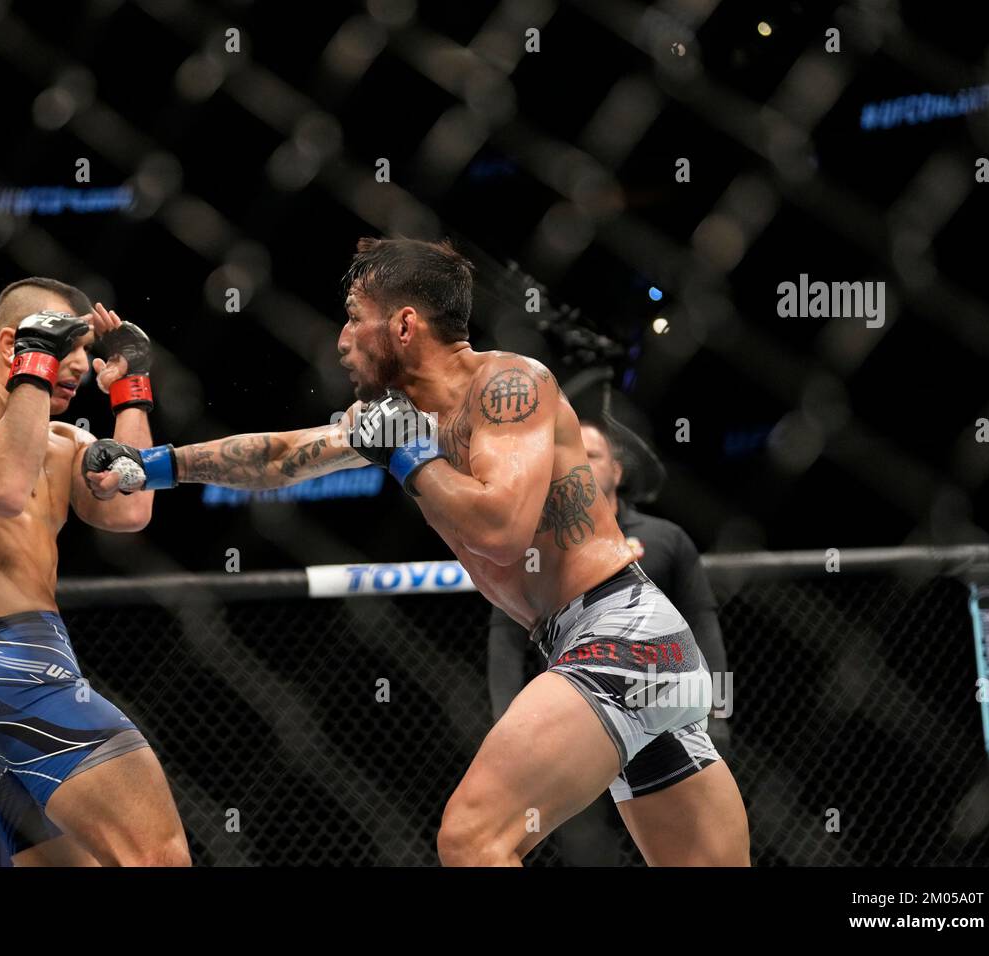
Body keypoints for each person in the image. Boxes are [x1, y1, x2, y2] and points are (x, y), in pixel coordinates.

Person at [83, 238, 750, 865]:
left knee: (473, 838)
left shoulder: (510, 385)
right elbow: (282, 457)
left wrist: (407, 456)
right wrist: (155, 465)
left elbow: (500, 527)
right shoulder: (397, 415)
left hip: (618, 631)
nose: (340, 340)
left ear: (403, 326)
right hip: (619, 642)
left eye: (353, 319)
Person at [0, 276, 189, 866]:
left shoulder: (66, 439)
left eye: (86, 351)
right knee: (159, 855)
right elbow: (5, 487)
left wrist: (132, 393)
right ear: (15, 341)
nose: (80, 365)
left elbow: (132, 508)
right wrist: (33, 365)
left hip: (12, 685)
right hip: (12, 667)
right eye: (66, 346)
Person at [487, 415, 732, 864]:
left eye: (592, 455)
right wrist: (507, 720)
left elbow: (704, 625)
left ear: (617, 471)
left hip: (664, 708)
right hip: (583, 710)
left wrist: (721, 711)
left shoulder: (665, 538)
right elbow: (505, 637)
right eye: (569, 454)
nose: (577, 463)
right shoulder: (537, 541)